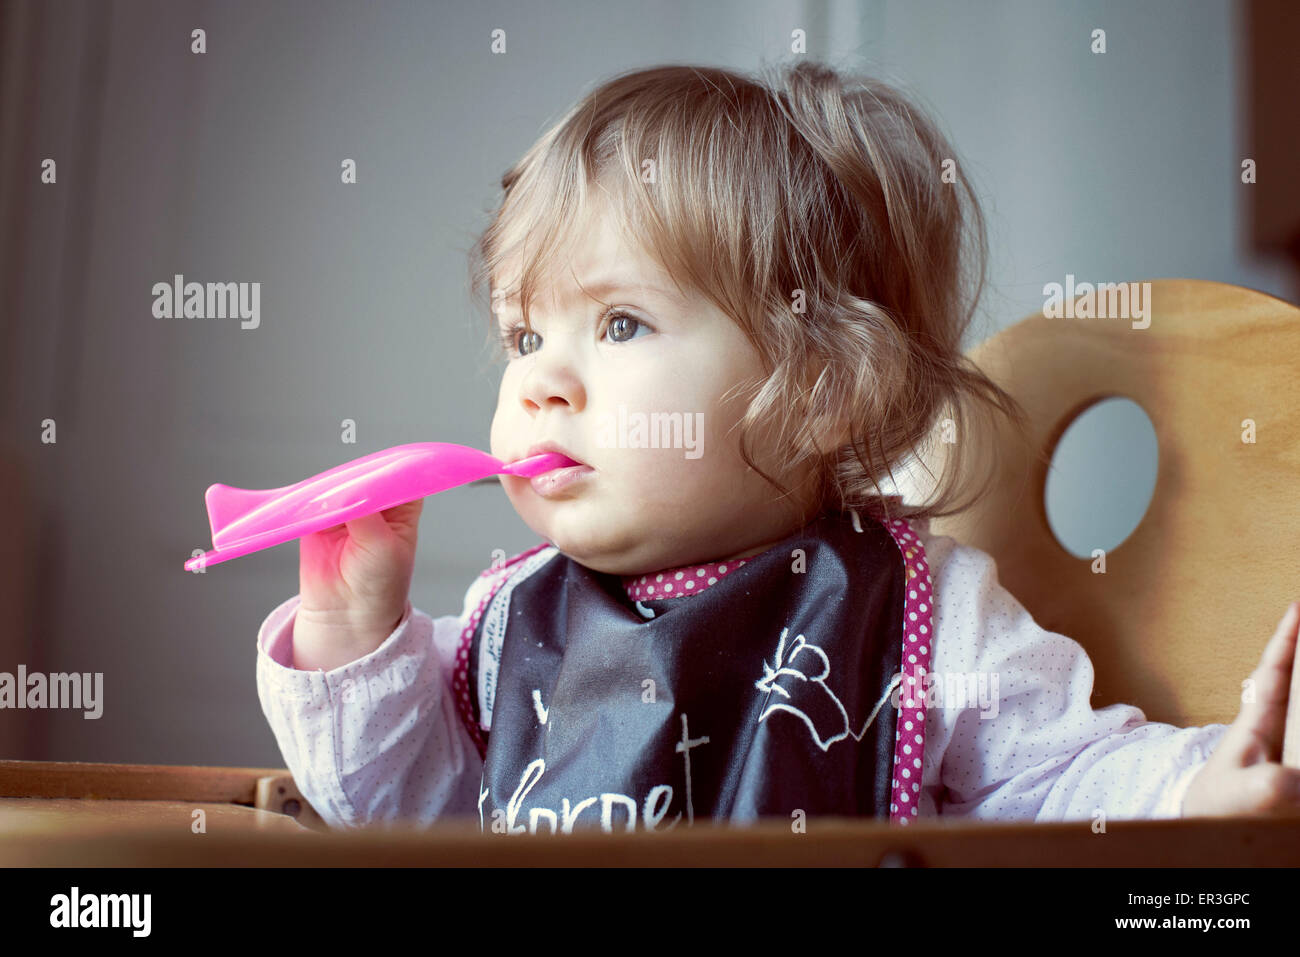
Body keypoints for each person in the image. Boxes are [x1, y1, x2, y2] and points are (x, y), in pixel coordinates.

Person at [255, 61, 1300, 834]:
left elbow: (1059, 782)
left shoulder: (916, 616)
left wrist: (1201, 797)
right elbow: (405, 824)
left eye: (619, 324)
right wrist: (356, 635)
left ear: (821, 391)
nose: (537, 381)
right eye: (525, 335)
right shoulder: (509, 624)